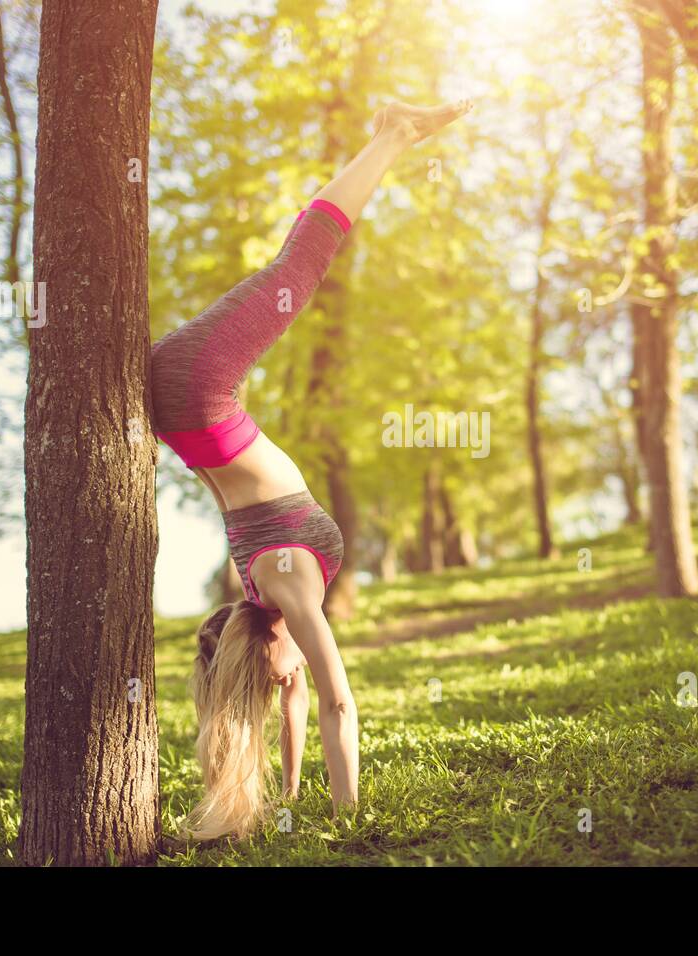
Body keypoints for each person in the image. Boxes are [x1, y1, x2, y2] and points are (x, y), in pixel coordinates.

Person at [152, 100, 473, 840]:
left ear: (271, 645)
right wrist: (294, 794)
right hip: (181, 413)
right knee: (292, 268)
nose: (290, 680)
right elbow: (296, 695)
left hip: (198, 391)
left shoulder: (291, 592)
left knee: (300, 265)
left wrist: (349, 817)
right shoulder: (263, 604)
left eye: (278, 675)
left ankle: (394, 131)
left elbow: (336, 703)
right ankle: (387, 136)